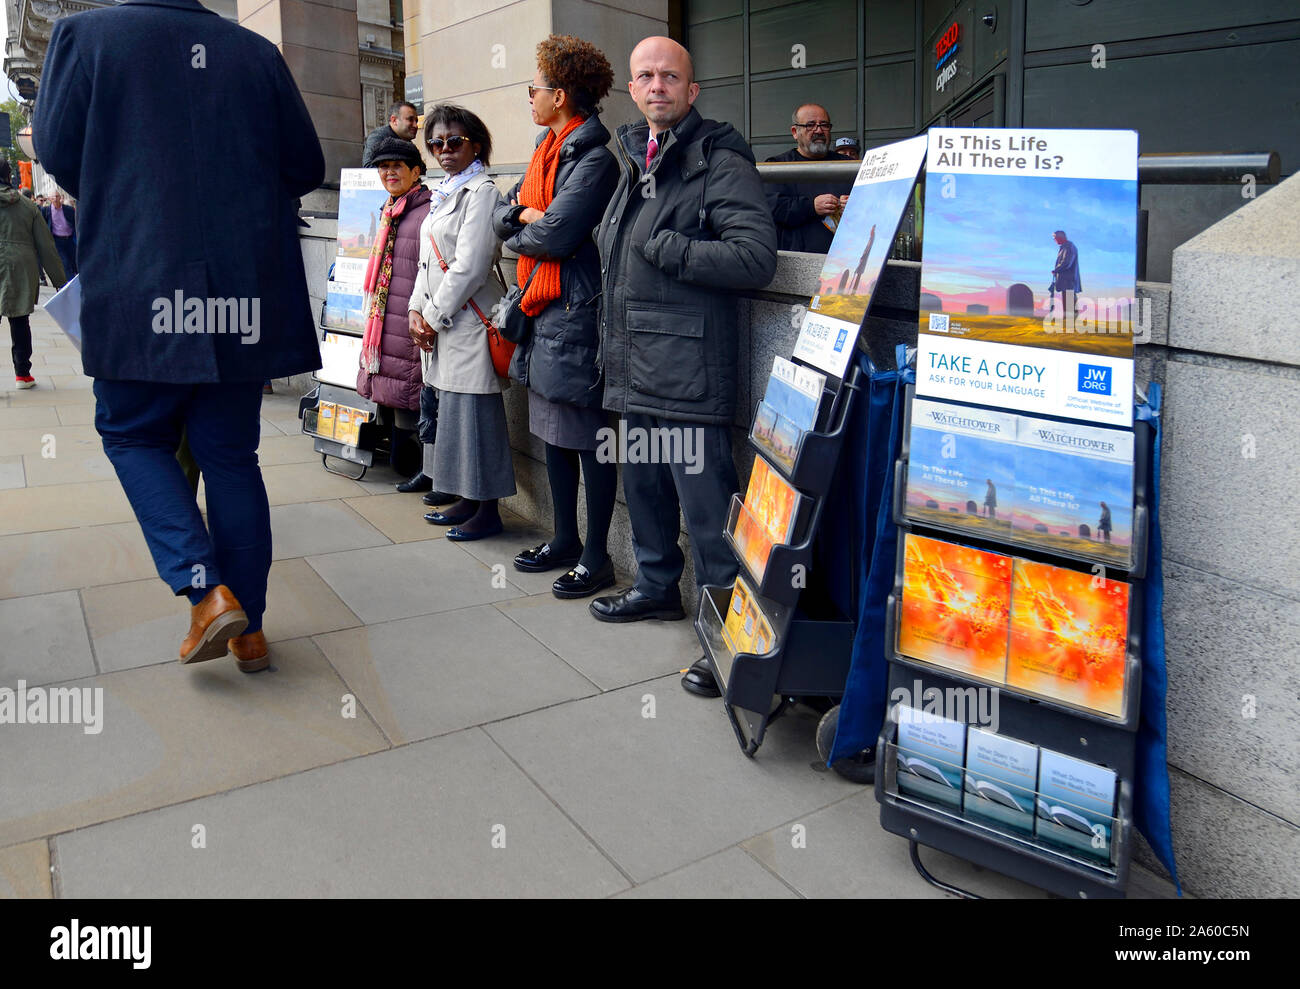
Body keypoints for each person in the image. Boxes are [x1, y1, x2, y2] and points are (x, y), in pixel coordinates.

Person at [34, 0, 325, 673]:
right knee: (231, 456)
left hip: (141, 278)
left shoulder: (86, 35)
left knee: (133, 434)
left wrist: (127, 188)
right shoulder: (253, 51)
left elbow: (56, 151)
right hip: (240, 288)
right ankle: (248, 627)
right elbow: (304, 165)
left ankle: (204, 590)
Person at [590, 36, 778, 700]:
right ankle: (654, 586)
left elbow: (756, 258)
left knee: (709, 515)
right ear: (633, 90)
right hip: (636, 363)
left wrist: (670, 247)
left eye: (671, 76)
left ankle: (732, 642)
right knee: (642, 489)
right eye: (646, 76)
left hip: (689, 370)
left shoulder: (716, 158)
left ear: (691, 91)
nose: (658, 86)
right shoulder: (630, 157)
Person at [493, 35, 620, 599]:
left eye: (535, 89)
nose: (530, 98)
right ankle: (565, 538)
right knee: (552, 434)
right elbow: (505, 217)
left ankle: (597, 555)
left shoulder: (594, 159)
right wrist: (524, 211)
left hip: (575, 312)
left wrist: (527, 222)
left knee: (587, 438)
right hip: (544, 310)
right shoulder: (549, 152)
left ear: (561, 95)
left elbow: (557, 235)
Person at [409, 104, 514, 540]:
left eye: (455, 141)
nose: (445, 150)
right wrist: (416, 309)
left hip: (468, 321)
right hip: (441, 321)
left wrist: (431, 316)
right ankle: (467, 500)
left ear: (475, 143)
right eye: (436, 143)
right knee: (454, 412)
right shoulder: (444, 191)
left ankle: (488, 511)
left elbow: (470, 266)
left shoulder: (483, 191)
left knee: (477, 416)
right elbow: (425, 262)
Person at [355, 134, 434, 484]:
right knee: (392, 391)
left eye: (397, 166)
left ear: (415, 171)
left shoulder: (425, 210)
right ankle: (403, 463)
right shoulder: (390, 208)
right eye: (383, 167)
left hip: (410, 317)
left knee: (408, 393)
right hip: (386, 316)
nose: (389, 173)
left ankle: (418, 469)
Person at [1, 160, 67, 389]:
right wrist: (60, 281)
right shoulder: (28, 207)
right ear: (9, 177)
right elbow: (46, 246)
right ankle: (23, 374)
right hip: (21, 265)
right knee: (20, 320)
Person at [763, 103, 851, 253]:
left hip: (845, 257)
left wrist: (855, 204)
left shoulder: (849, 166)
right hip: (798, 261)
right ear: (795, 132)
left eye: (824, 125)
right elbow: (772, 208)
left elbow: (872, 205)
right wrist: (811, 206)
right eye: (810, 125)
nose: (819, 130)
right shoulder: (776, 167)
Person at [362, 101, 420, 167]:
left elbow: (420, 168)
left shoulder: (409, 144)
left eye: (416, 121)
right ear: (394, 120)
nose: (415, 125)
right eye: (410, 120)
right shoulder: (378, 137)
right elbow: (368, 167)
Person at [40, 190, 78, 276]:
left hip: (70, 239)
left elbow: (75, 223)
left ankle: (76, 280)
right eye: (53, 197)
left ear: (60, 197)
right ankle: (69, 283)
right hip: (57, 241)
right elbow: (44, 226)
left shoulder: (69, 209)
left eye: (57, 196)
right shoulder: (46, 211)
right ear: (50, 199)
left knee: (74, 262)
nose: (56, 199)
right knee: (65, 263)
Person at [1050, 229, 1081, 313]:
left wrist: (1056, 270)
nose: (1054, 240)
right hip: (1067, 280)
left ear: (1060, 238)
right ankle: (1069, 320)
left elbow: (1067, 262)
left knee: (1069, 301)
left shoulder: (1068, 246)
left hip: (1068, 280)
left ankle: (1070, 321)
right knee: (1068, 301)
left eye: (1055, 238)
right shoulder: (1066, 246)